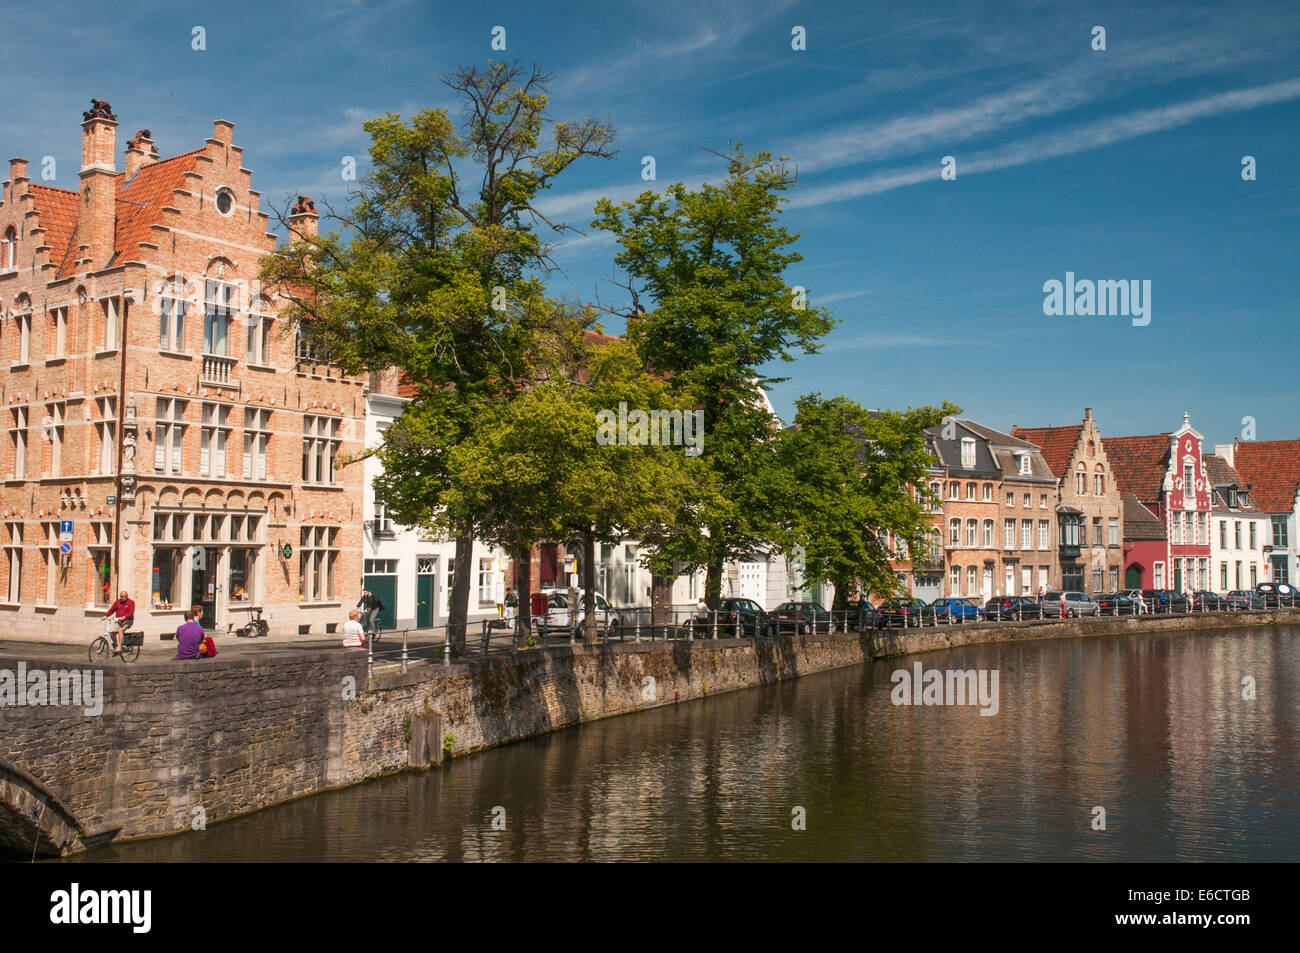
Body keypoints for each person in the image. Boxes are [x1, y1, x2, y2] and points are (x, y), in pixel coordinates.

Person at [103, 589, 135, 655]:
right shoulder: (118, 602)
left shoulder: (131, 603)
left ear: (127, 596)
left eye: (125, 596)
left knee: (120, 630)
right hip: (119, 621)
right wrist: (105, 616)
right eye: (122, 596)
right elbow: (112, 610)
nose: (123, 598)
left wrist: (123, 617)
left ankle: (119, 647)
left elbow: (130, 613)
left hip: (128, 621)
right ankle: (116, 647)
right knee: (112, 633)